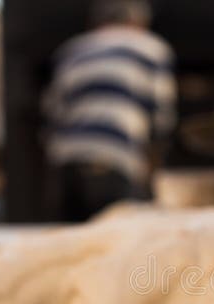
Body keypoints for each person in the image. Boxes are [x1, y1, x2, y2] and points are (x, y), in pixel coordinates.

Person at [43, 0, 176, 221]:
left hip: (66, 165)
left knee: (72, 245)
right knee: (121, 243)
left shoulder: (71, 49)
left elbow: (52, 113)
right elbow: (161, 118)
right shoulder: (151, 48)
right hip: (115, 160)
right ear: (139, 21)